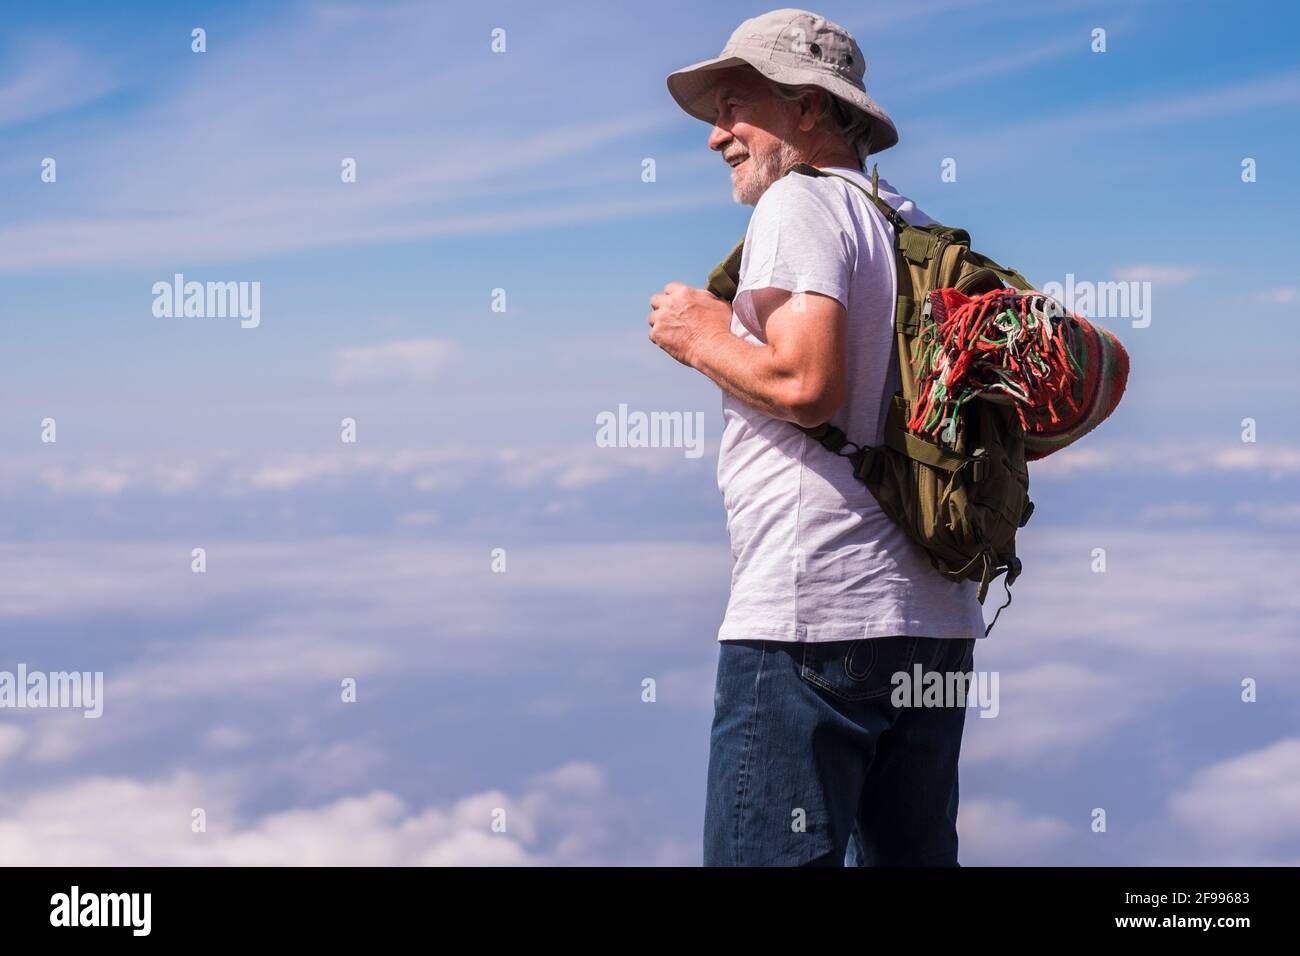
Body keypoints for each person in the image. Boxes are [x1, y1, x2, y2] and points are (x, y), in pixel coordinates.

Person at [649, 8, 983, 866]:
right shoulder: (907, 224)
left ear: (807, 106)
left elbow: (806, 384)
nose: (718, 135)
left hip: (813, 616)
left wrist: (699, 334)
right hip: (933, 620)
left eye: (735, 106)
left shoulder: (799, 202)